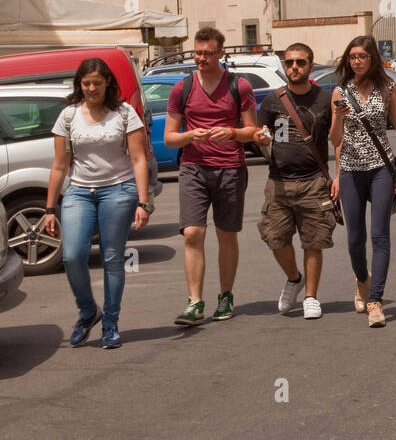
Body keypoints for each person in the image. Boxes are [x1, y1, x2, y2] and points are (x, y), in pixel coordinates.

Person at [46, 58, 151, 349]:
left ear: (108, 84)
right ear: (80, 85)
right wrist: (49, 208)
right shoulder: (68, 116)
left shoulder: (125, 113)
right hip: (79, 191)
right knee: (72, 255)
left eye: (97, 83)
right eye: (86, 83)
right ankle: (88, 310)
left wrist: (143, 202)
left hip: (118, 190)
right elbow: (58, 166)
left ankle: (111, 323)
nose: (91, 88)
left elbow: (139, 158)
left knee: (112, 258)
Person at [164, 27, 259, 325]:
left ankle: (226, 295)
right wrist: (191, 135)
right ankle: (194, 301)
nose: (201, 58)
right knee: (192, 232)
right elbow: (169, 138)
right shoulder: (182, 88)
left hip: (230, 166)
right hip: (194, 167)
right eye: (197, 52)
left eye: (207, 53)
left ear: (221, 53)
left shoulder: (239, 86)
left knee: (226, 234)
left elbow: (252, 131)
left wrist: (230, 132)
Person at [329, 36, 396, 328]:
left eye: (362, 56)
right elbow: (335, 140)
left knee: (380, 236)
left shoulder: (388, 88)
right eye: (352, 56)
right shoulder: (340, 91)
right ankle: (362, 279)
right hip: (351, 170)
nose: (357, 61)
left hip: (381, 169)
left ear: (372, 58)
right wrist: (338, 174)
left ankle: (376, 302)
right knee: (354, 240)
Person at [254, 43, 336, 320]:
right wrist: (261, 138)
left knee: (314, 241)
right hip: (278, 182)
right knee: (275, 238)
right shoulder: (273, 100)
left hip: (314, 182)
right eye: (289, 63)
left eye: (300, 62)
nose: (294, 68)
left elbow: (338, 140)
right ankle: (294, 278)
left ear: (311, 66)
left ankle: (311, 296)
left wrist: (340, 178)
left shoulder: (325, 99)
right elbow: (261, 133)